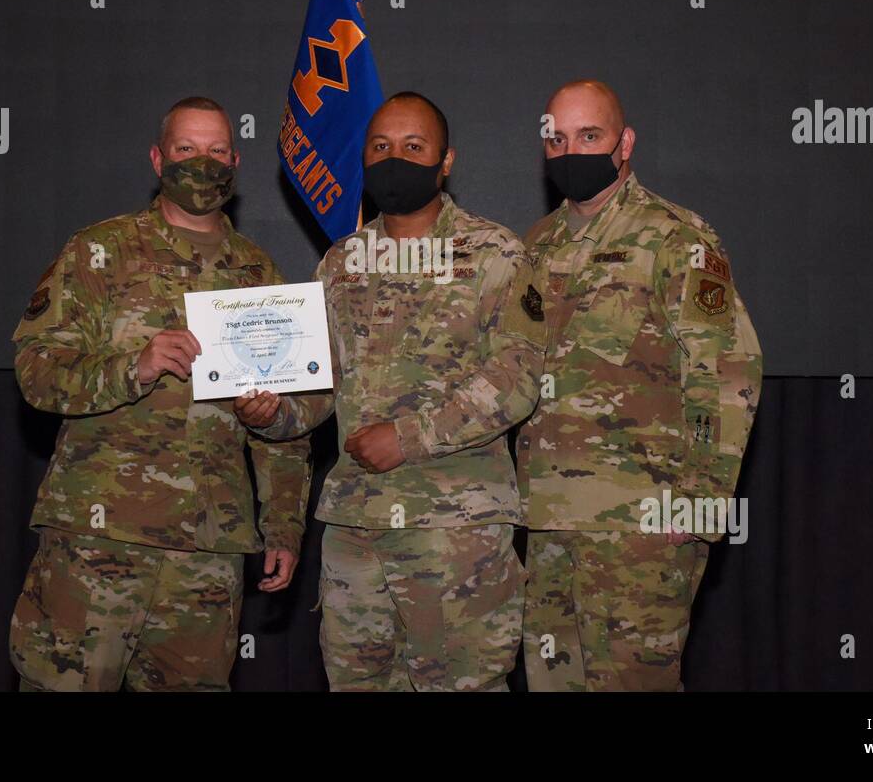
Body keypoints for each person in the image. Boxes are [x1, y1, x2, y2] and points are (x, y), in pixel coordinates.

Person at [236, 92, 545, 691]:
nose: (395, 159)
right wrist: (272, 412)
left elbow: (516, 379)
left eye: (413, 147)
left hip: (457, 531)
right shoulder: (342, 262)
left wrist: (409, 438)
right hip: (355, 528)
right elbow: (318, 384)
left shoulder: (495, 253)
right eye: (381, 147)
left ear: (445, 161)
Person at [8, 96, 313, 691]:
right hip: (98, 539)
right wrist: (133, 368)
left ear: (236, 160)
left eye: (217, 151)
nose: (204, 163)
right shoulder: (99, 253)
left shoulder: (259, 273)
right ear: (158, 159)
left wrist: (283, 526)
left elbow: (288, 423)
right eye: (186, 150)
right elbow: (37, 370)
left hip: (207, 552)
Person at [518, 80, 763, 691]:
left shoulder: (675, 237)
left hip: (643, 523)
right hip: (545, 517)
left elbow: (727, 367)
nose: (572, 150)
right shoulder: (533, 246)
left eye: (590, 136)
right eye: (558, 139)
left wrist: (702, 496)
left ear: (624, 143)